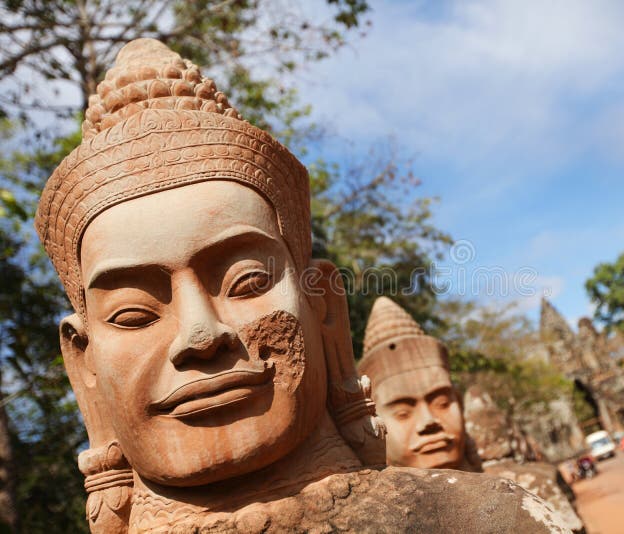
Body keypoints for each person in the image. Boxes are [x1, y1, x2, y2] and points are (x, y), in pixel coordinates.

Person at [35, 38, 568, 532]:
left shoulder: (486, 520)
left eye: (246, 282)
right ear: (85, 367)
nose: (201, 335)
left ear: (324, 308)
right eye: (134, 313)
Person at [358, 297, 583, 531]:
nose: (429, 422)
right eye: (403, 412)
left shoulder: (528, 492)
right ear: (372, 423)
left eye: (442, 403)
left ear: (459, 402)